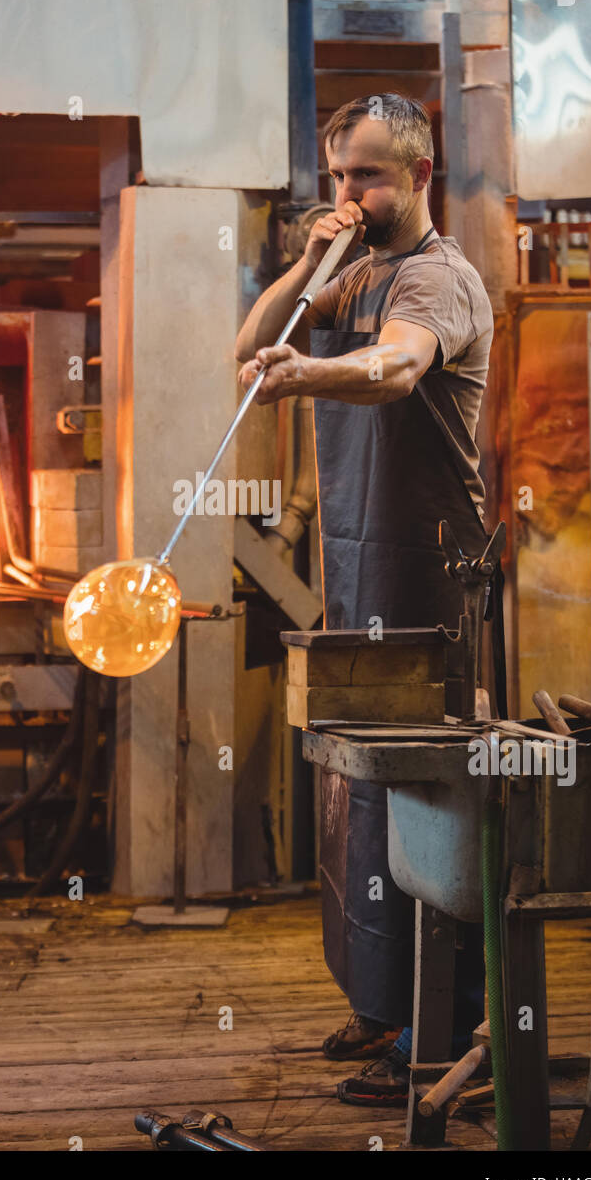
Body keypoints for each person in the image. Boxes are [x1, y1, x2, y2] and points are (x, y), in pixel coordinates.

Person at [234, 94, 493, 1108]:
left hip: (426, 575)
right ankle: (379, 1002)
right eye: (339, 175)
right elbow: (247, 350)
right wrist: (306, 269)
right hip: (355, 571)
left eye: (369, 175)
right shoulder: (349, 271)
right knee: (353, 791)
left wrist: (305, 376)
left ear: (418, 174)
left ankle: (436, 1034)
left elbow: (393, 369)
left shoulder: (435, 280)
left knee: (426, 801)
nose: (348, 193)